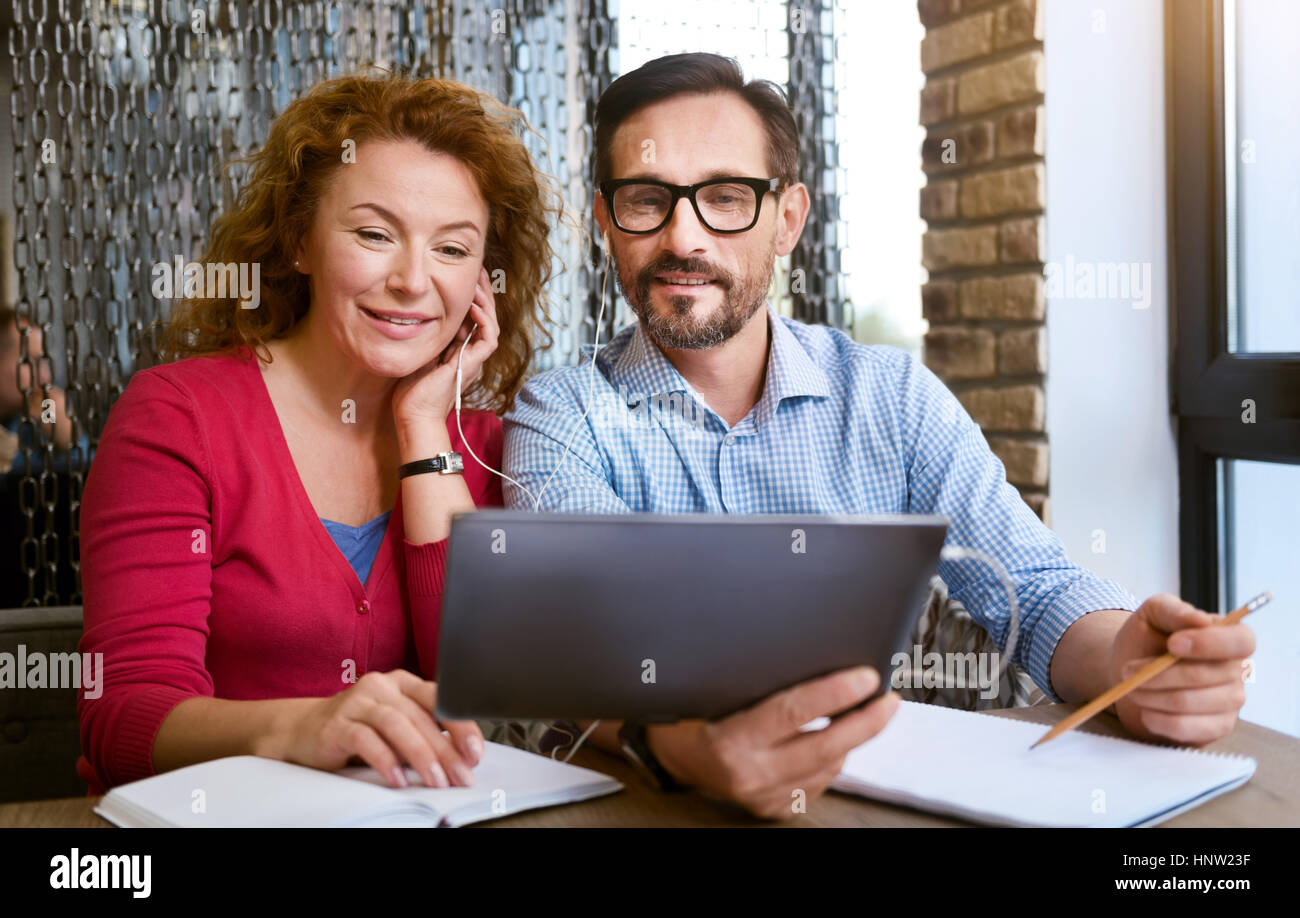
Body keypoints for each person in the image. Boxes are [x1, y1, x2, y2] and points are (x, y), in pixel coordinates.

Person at [502, 53, 1254, 819]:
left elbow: (1034, 587)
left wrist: (1127, 658)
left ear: (787, 218)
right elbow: (567, 640)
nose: (683, 236)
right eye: (647, 200)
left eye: (726, 198)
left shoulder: (890, 397)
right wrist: (679, 742)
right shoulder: (560, 415)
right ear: (606, 222)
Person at [78, 73, 559, 795]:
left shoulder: (488, 445)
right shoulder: (177, 418)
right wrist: (297, 729)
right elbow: (121, 718)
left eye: (453, 250)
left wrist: (423, 426)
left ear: (483, 283)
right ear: (299, 240)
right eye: (374, 234)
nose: (412, 281)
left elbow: (490, 706)